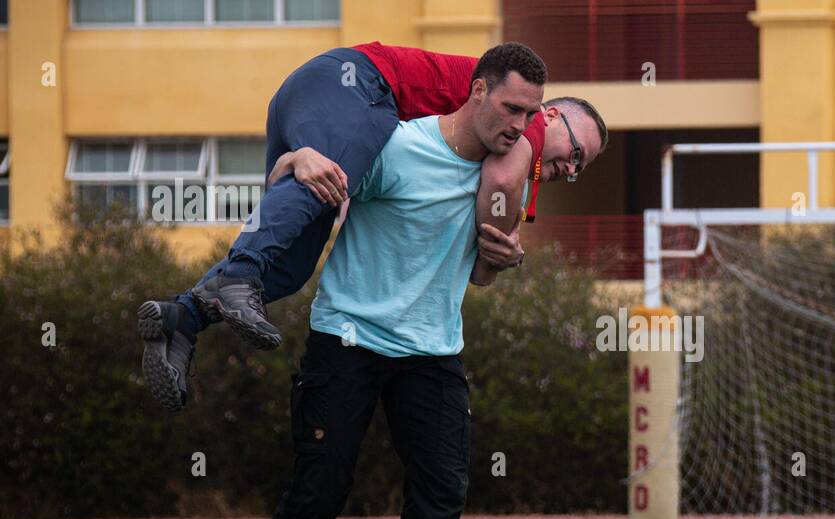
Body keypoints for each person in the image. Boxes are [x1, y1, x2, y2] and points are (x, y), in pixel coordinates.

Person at [228, 48, 607, 519]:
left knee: (441, 499)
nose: (523, 126)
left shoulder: (507, 182)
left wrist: (504, 255)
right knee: (319, 494)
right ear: (478, 91)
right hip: (346, 337)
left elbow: (483, 273)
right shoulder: (399, 145)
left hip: (431, 352)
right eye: (513, 108)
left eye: (532, 115)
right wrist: (295, 157)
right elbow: (309, 196)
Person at [137, 41, 602, 411]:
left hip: (323, 95)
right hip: (355, 84)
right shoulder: (530, 116)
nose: (572, 168)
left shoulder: (512, 122)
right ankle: (238, 273)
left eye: (583, 168)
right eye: (577, 152)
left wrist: (296, 157)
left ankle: (183, 317)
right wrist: (498, 252)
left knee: (295, 260)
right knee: (329, 176)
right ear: (554, 114)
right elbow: (501, 182)